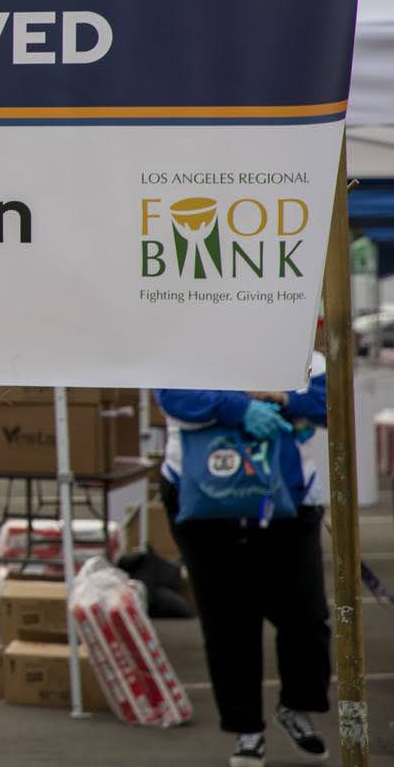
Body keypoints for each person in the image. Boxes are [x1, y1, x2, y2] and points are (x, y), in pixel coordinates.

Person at [157, 327, 330, 767]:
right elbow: (175, 396)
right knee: (228, 623)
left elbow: (330, 399)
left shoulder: (292, 346)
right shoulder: (184, 345)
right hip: (204, 504)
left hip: (287, 503)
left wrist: (286, 400)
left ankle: (297, 704)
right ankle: (247, 730)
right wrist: (243, 403)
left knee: (305, 616)